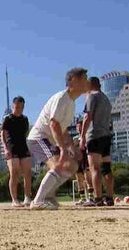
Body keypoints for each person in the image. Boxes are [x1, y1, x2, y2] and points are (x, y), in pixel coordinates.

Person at [26, 68, 90, 210]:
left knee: (71, 166)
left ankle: (48, 196)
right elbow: (53, 124)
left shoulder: (71, 103)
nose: (87, 82)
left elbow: (63, 129)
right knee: (57, 165)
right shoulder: (62, 98)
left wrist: (72, 148)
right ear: (74, 80)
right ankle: (37, 201)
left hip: (49, 139)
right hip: (39, 138)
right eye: (85, 78)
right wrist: (62, 148)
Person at [80, 77, 115, 207]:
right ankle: (110, 197)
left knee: (94, 168)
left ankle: (98, 198)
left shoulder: (92, 97)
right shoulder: (106, 100)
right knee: (106, 168)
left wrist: (82, 136)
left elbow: (87, 117)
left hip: (94, 135)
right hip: (106, 135)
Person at [1, 96, 32, 207]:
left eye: (22, 107)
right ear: (13, 106)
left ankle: (27, 197)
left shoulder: (25, 119)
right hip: (11, 148)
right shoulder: (8, 119)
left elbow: (26, 133)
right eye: (17, 106)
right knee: (14, 173)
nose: (19, 109)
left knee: (27, 173)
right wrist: (5, 148)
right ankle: (14, 199)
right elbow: (2, 134)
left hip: (23, 147)